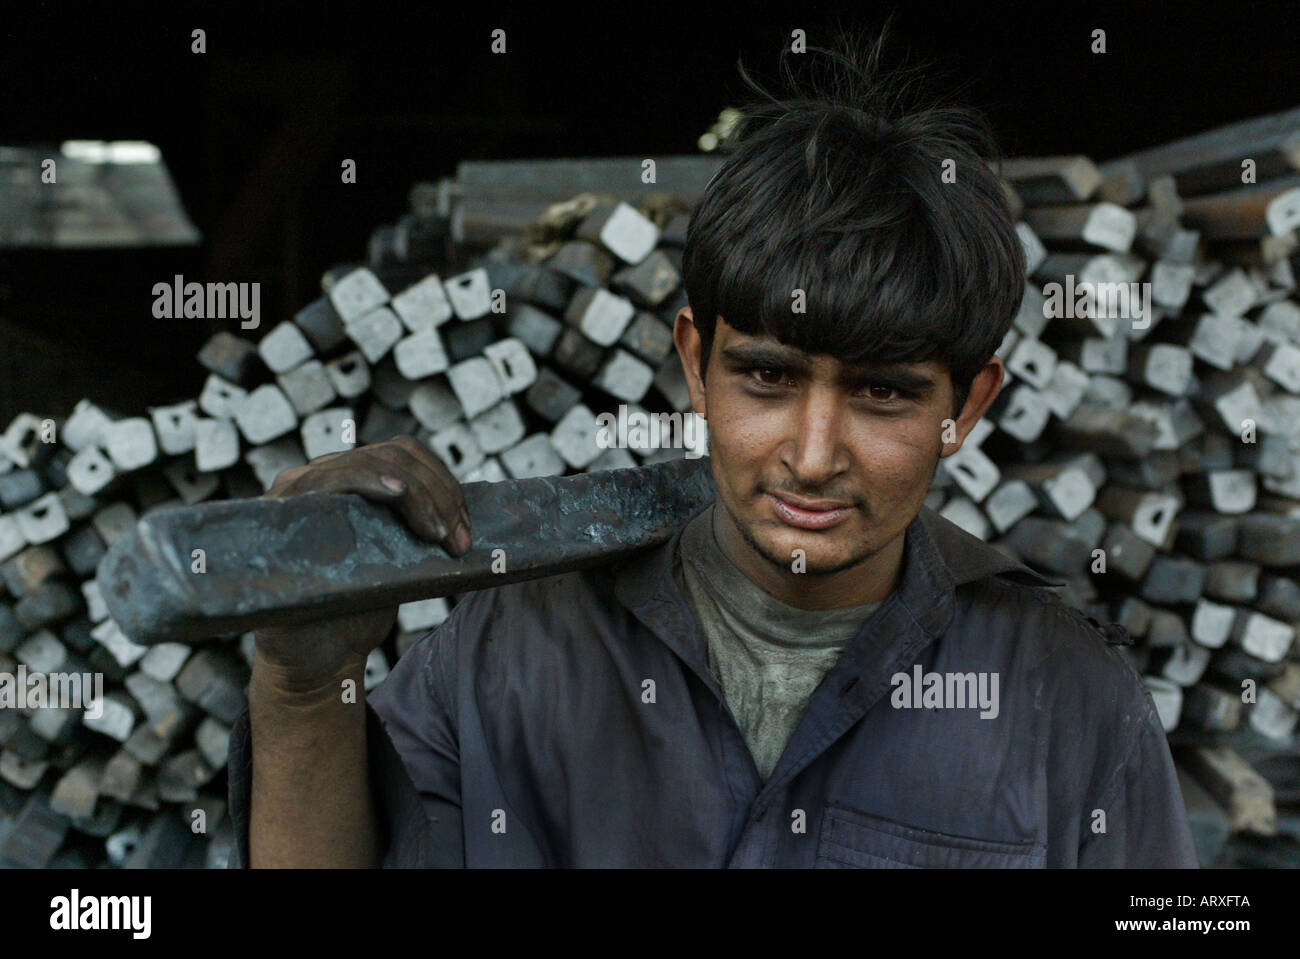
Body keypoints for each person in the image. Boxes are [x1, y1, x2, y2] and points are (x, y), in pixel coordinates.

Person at [227, 30, 1198, 868]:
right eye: (768, 378)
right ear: (696, 361)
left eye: (883, 393)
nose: (813, 455)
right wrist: (305, 684)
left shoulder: (1066, 701)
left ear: (968, 403)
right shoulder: (511, 651)